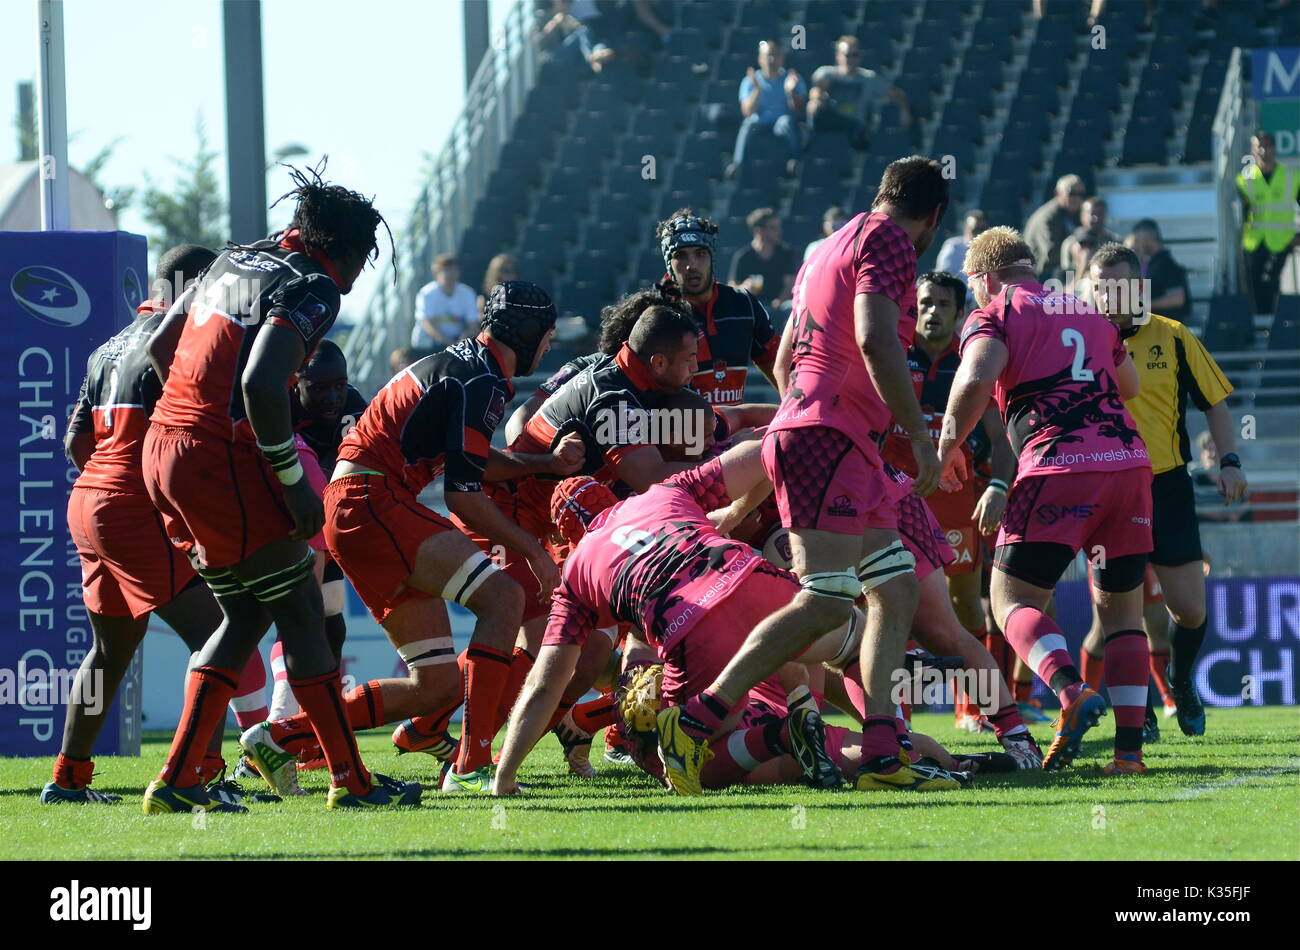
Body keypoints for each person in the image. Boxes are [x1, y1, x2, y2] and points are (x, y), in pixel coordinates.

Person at [659, 156, 951, 796]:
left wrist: (810, 412)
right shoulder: (891, 241)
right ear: (933, 218)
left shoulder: (828, 246)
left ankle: (881, 750)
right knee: (825, 598)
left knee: (895, 588)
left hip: (835, 440)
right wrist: (917, 437)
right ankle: (695, 720)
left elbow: (789, 354)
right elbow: (876, 340)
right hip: (831, 441)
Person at [142, 164, 419, 812]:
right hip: (214, 457)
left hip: (166, 450)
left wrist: (193, 429)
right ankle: (350, 782)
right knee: (298, 611)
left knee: (248, 615)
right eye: (361, 260)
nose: (355, 278)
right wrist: (290, 483)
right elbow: (263, 385)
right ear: (344, 251)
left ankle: (183, 779)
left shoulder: (234, 259)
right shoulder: (313, 283)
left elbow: (161, 347)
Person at [493, 447, 969, 796]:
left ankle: (786, 738)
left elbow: (543, 682)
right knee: (861, 645)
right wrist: (739, 511)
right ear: (610, 498)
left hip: (695, 633)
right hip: (757, 582)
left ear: (569, 537)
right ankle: (895, 744)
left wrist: (506, 774)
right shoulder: (662, 494)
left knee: (690, 763)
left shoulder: (577, 572)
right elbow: (768, 447)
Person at [300, 281, 582, 795]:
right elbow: (463, 495)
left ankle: (277, 740)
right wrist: (536, 551)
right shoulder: (485, 379)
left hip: (358, 502)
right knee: (505, 599)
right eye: (546, 336)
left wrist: (544, 464)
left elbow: (474, 461)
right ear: (528, 333)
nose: (547, 347)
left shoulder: (469, 365)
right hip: (374, 499)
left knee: (436, 684)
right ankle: (471, 764)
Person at [937, 226, 1154, 776]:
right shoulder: (1087, 310)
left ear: (985, 277)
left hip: (1060, 466)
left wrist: (946, 447)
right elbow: (1128, 385)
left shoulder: (997, 312)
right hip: (1127, 465)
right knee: (1123, 616)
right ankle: (1129, 755)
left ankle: (1069, 690)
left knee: (1009, 600)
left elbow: (975, 378)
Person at [45, 244, 239, 806]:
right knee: (219, 636)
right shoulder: (180, 342)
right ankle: (194, 776)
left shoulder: (107, 346)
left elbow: (75, 442)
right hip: (133, 504)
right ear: (198, 286)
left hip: (88, 501)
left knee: (110, 651)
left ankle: (67, 780)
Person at [1077, 242, 1247, 738]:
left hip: (1167, 485)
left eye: (1120, 284)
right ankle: (1139, 713)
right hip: (1106, 490)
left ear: (1139, 285)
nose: (1110, 295)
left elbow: (1215, 402)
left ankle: (1181, 680)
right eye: (1101, 286)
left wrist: (1230, 461)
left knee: (1190, 609)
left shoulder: (1172, 336)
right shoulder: (1077, 340)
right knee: (1118, 614)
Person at [880, 271, 1020, 731]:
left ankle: (973, 707)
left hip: (956, 497)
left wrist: (999, 487)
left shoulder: (975, 358)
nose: (932, 312)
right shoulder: (892, 354)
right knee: (886, 603)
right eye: (924, 303)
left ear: (961, 313)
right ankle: (894, 715)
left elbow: (1003, 437)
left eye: (943, 304)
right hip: (893, 498)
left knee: (963, 604)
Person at [656, 210, 782, 404]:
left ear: (712, 258)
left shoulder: (744, 303)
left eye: (700, 254)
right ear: (668, 264)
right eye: (681, 256)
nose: (692, 265)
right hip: (680, 431)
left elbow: (782, 371)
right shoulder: (655, 315)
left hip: (736, 431)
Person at [1236, 131, 1299, 315]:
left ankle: (1269, 321)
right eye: (1259, 147)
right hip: (1254, 241)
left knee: (1268, 281)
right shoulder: (1244, 179)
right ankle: (1263, 323)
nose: (1263, 151)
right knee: (1255, 285)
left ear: (1274, 148)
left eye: (1267, 146)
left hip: (1280, 241)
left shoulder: (1291, 176)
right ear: (1253, 151)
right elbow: (1241, 213)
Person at [808, 35, 912, 146]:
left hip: (854, 129)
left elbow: (896, 94)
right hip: (831, 126)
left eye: (855, 55)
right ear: (838, 56)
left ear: (860, 57)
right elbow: (817, 89)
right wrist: (816, 100)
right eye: (847, 55)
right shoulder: (827, 73)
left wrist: (904, 109)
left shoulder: (868, 78)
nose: (850, 60)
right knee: (814, 108)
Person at [727, 39, 806, 179]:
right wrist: (757, 89)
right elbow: (747, 112)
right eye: (767, 55)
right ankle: (737, 164)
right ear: (760, 59)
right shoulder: (750, 81)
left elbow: (798, 110)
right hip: (761, 121)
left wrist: (791, 92)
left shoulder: (793, 78)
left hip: (781, 122)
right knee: (748, 123)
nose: (771, 59)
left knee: (787, 121)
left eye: (775, 55)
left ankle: (795, 161)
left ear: (781, 58)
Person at [727, 207, 801, 315]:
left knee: (790, 308)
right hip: (752, 305)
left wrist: (779, 301)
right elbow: (733, 288)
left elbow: (790, 283)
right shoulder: (743, 256)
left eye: (778, 227)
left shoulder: (786, 253)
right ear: (759, 230)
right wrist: (745, 287)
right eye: (773, 227)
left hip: (780, 306)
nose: (779, 231)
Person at [1124, 219, 1192, 322]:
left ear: (1149, 238)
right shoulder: (1154, 264)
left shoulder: (1166, 264)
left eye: (1138, 239)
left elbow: (1177, 299)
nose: (1137, 244)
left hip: (1169, 330)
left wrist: (1143, 305)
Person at [411, 253, 479, 355]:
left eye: (454, 270)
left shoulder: (468, 293)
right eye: (446, 270)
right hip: (428, 346)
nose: (451, 275)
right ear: (436, 274)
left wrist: (463, 339)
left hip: (457, 343)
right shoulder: (426, 294)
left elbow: (473, 324)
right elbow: (427, 324)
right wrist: (449, 342)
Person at [1024, 174, 1085, 283]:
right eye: (1072, 193)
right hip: (1042, 276)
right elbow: (1050, 254)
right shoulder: (1047, 218)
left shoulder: (1075, 213)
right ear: (1058, 193)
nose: (1077, 198)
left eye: (1081, 194)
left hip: (1059, 273)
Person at [1059, 196, 1120, 294]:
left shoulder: (1115, 243)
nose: (1095, 218)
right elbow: (1065, 285)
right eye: (1092, 213)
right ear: (1082, 216)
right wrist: (1082, 264)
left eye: (1100, 214)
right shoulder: (1070, 244)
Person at [935, 209, 988, 290]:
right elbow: (943, 275)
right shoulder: (953, 246)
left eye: (982, 230)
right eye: (975, 230)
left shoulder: (992, 251)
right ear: (966, 229)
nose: (979, 234)